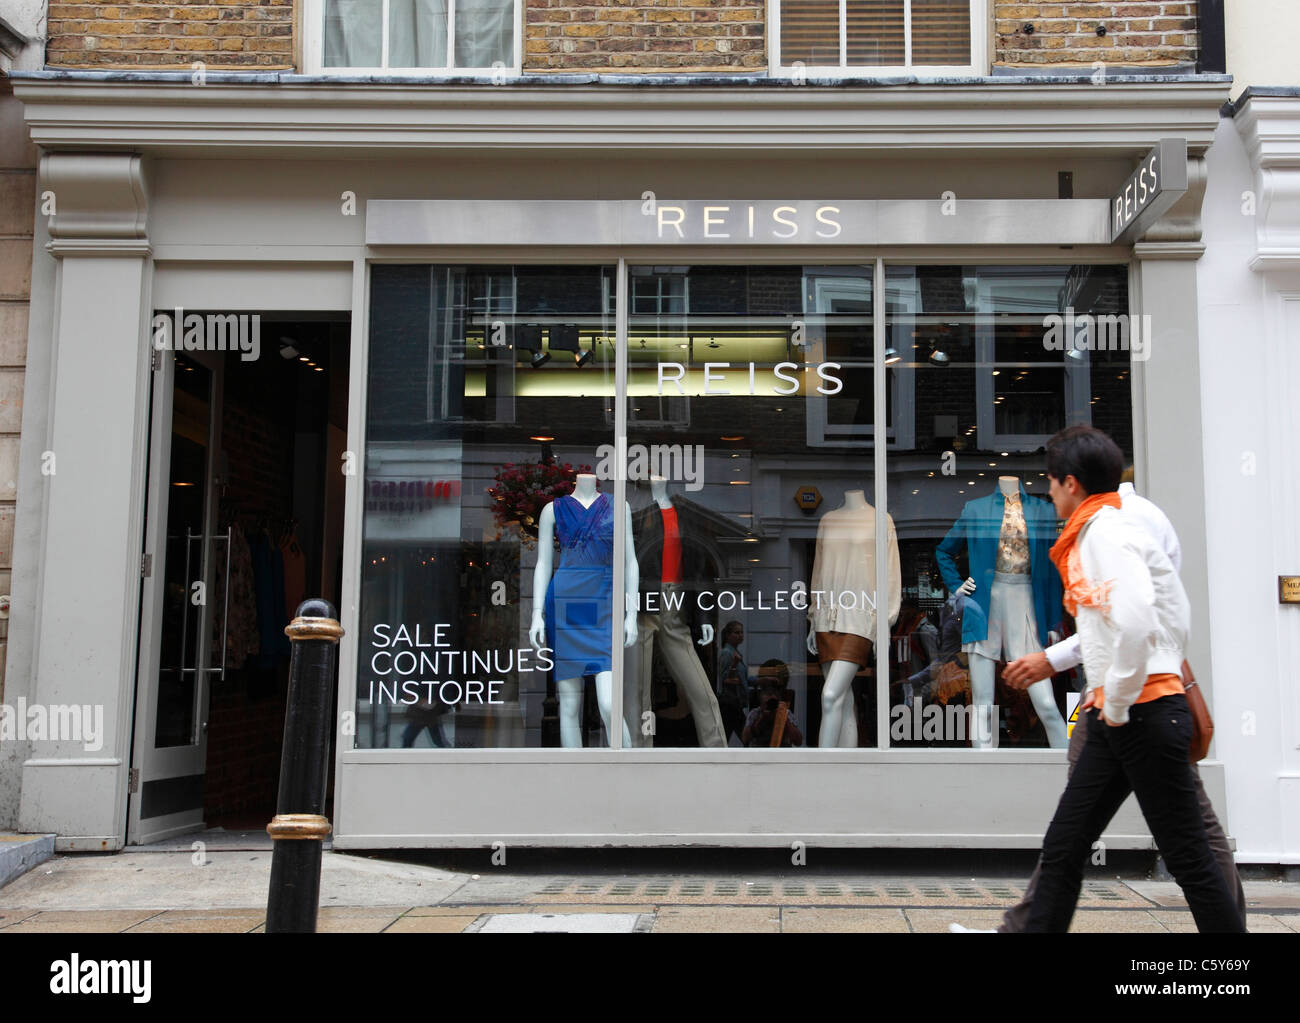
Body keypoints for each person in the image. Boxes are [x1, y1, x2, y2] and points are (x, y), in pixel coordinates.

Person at [987, 472, 1245, 933]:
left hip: (1137, 708)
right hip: (1114, 705)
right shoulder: (1105, 526)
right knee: (1068, 842)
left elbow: (1138, 617)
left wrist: (1118, 698)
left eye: (1051, 482)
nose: (1046, 493)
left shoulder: (1111, 528)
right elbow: (1151, 615)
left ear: (1073, 483)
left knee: (1188, 849)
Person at [742, 660, 803, 747]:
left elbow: (798, 741)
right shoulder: (755, 714)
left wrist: (784, 720)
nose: (771, 698)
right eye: (767, 693)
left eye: (775, 692)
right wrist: (761, 720)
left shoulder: (786, 714)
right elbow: (745, 739)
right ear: (759, 696)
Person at [715, 620, 749, 744]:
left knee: (726, 739)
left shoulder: (735, 652)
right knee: (747, 738)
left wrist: (760, 680)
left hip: (735, 704)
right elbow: (724, 679)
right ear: (728, 635)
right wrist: (734, 664)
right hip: (730, 704)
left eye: (742, 632)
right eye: (736, 632)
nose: (740, 635)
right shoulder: (726, 654)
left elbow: (742, 678)